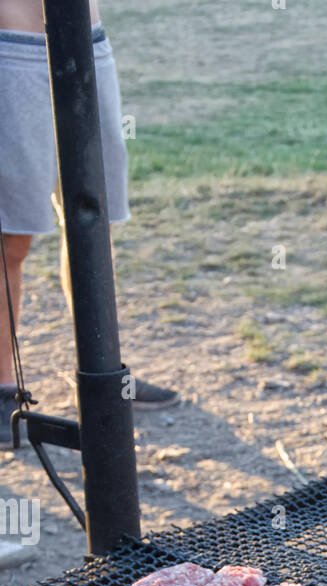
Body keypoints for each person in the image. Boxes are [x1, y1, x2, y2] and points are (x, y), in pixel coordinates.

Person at [0, 0, 177, 446]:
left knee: (91, 221)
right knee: (10, 239)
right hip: (11, 46)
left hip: (88, 41)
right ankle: (2, 387)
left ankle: (102, 374)